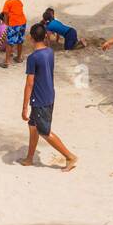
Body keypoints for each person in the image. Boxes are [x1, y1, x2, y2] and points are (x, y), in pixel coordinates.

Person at [19, 23, 77, 170]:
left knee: (44, 131)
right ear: (45, 35)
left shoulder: (33, 58)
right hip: (49, 95)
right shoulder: (50, 52)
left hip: (40, 99)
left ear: (31, 38)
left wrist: (24, 107)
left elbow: (29, 83)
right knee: (33, 126)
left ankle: (70, 157)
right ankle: (29, 158)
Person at [0, 0, 27, 68]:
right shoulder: (20, 2)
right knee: (20, 40)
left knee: (10, 42)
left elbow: (6, 14)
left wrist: (5, 23)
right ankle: (19, 57)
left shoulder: (8, 2)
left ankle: (7, 62)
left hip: (14, 24)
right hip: (23, 22)